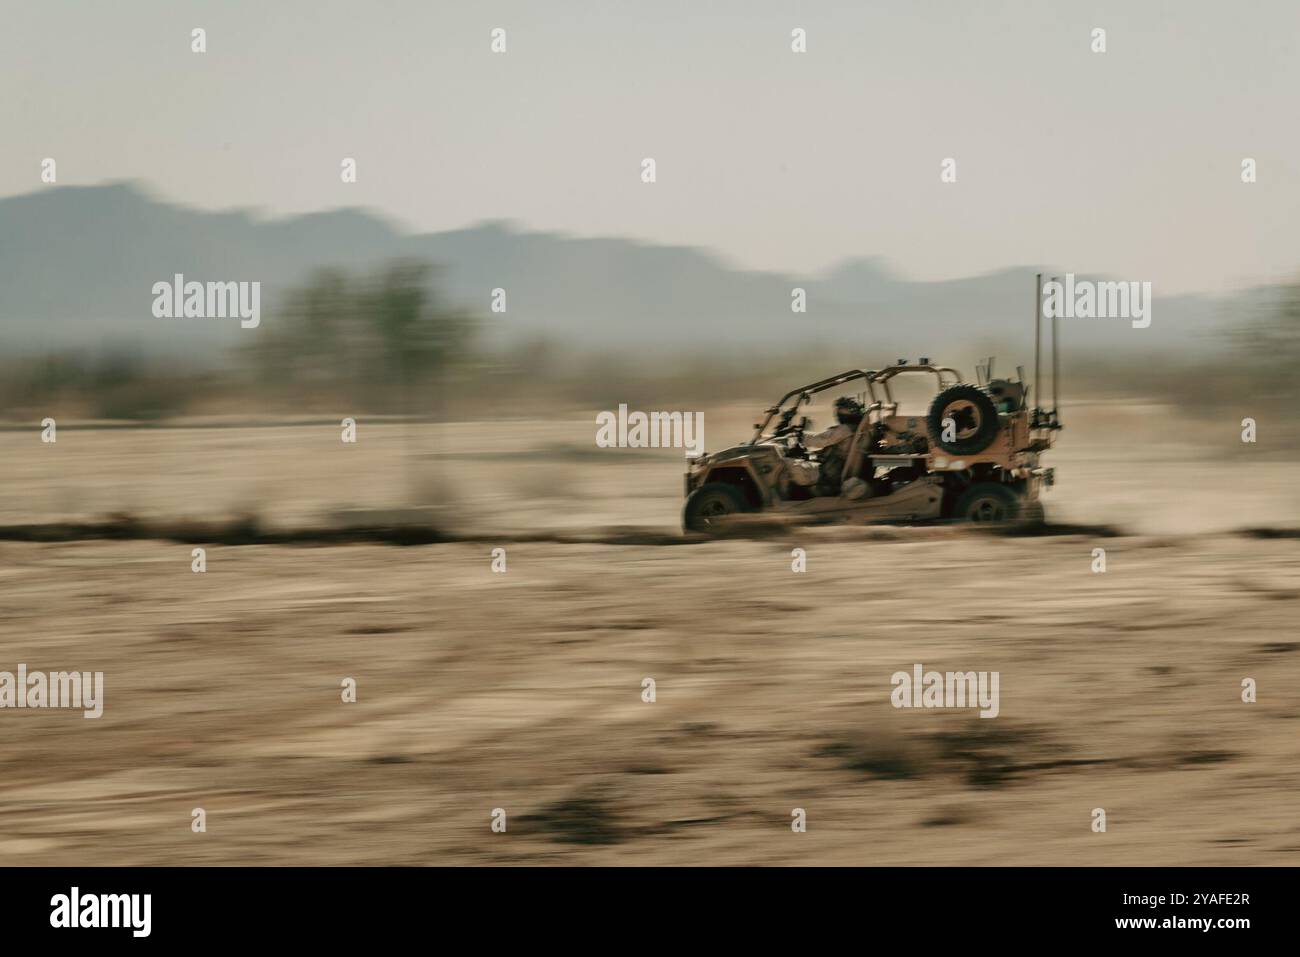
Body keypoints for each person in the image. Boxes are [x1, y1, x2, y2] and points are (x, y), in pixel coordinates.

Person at [785, 396, 866, 490]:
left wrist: (802, 438)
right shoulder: (858, 430)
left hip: (828, 474)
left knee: (785, 462)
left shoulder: (844, 430)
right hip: (834, 471)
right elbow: (833, 449)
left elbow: (821, 440)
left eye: (841, 409)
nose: (837, 413)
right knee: (799, 464)